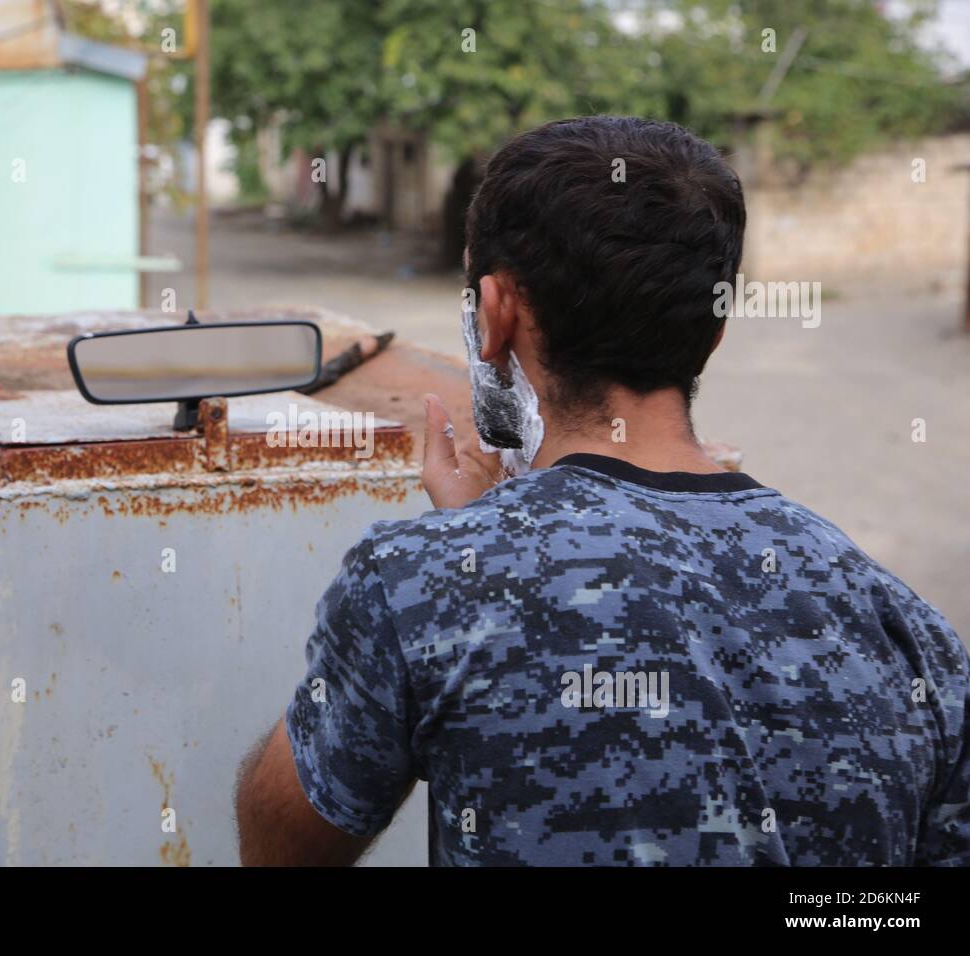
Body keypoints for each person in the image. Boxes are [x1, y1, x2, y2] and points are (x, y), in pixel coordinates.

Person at [234, 116, 970, 866]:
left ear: (496, 315)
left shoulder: (418, 583)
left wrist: (477, 554)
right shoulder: (907, 626)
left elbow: (281, 847)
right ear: (714, 331)